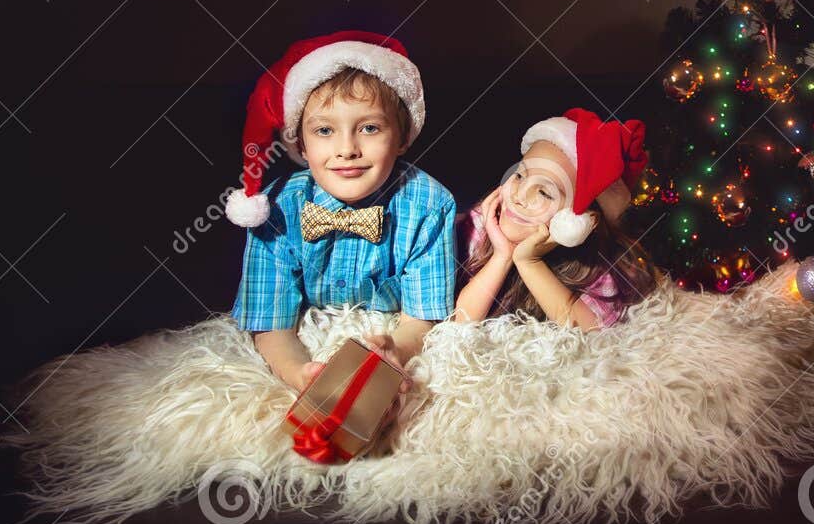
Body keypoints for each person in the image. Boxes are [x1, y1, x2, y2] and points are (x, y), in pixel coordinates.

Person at [225, 30, 456, 392]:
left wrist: (396, 348)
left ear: (403, 137)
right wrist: (300, 373)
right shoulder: (276, 209)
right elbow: (270, 323)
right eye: (325, 130)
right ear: (300, 143)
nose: (347, 149)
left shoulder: (431, 206)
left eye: (369, 127)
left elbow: (422, 319)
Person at [453, 108, 658, 330]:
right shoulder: (478, 227)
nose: (520, 196)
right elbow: (458, 324)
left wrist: (529, 262)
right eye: (520, 175)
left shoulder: (596, 265)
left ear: (579, 222)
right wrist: (502, 256)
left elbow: (590, 332)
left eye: (544, 193)